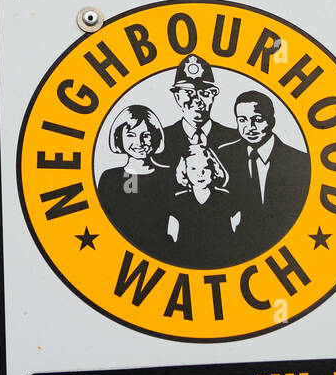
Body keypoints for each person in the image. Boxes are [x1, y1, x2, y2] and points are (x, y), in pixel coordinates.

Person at [218, 90, 310, 254]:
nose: (250, 127)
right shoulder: (223, 157)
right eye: (242, 120)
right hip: (234, 251)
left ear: (272, 121)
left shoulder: (300, 161)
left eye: (257, 120)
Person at [96, 105, 171, 255]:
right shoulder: (111, 178)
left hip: (162, 253)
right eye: (131, 135)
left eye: (146, 135)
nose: (139, 142)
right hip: (116, 252)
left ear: (156, 137)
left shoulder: (169, 176)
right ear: (119, 137)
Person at [157, 55, 239, 174]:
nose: (196, 100)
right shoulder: (160, 140)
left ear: (213, 96)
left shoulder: (234, 138)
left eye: (204, 93)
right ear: (177, 96)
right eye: (188, 93)